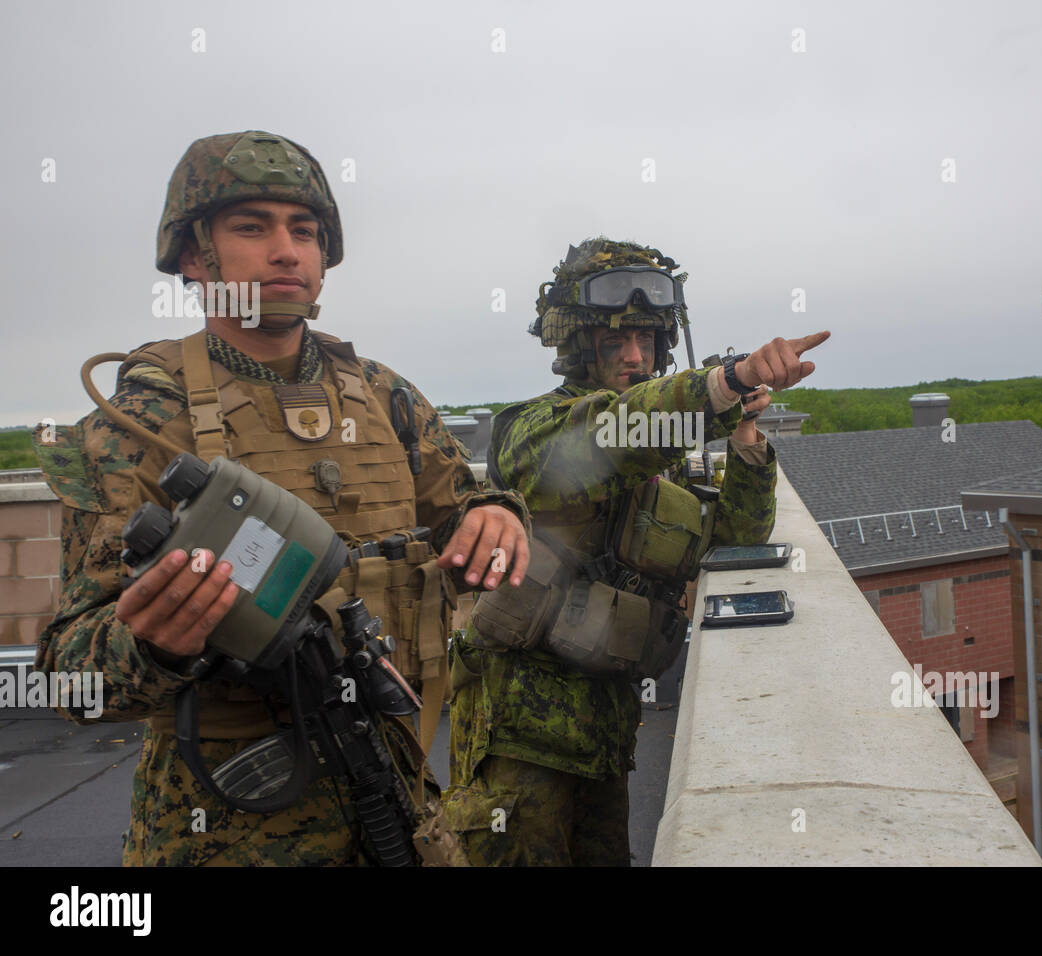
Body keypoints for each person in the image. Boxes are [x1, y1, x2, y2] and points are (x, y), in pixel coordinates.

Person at [32, 130, 530, 866]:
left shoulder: (385, 394)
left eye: (305, 231)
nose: (287, 251)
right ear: (196, 256)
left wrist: (496, 515)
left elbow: (466, 503)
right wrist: (149, 643)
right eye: (251, 227)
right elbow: (67, 681)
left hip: (395, 788)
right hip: (226, 824)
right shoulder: (140, 423)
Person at [444, 237, 828, 865]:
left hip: (605, 727)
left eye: (647, 342)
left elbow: (736, 539)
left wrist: (749, 440)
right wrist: (726, 383)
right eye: (616, 343)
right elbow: (614, 432)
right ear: (578, 346)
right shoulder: (535, 429)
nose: (635, 356)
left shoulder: (663, 451)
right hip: (519, 734)